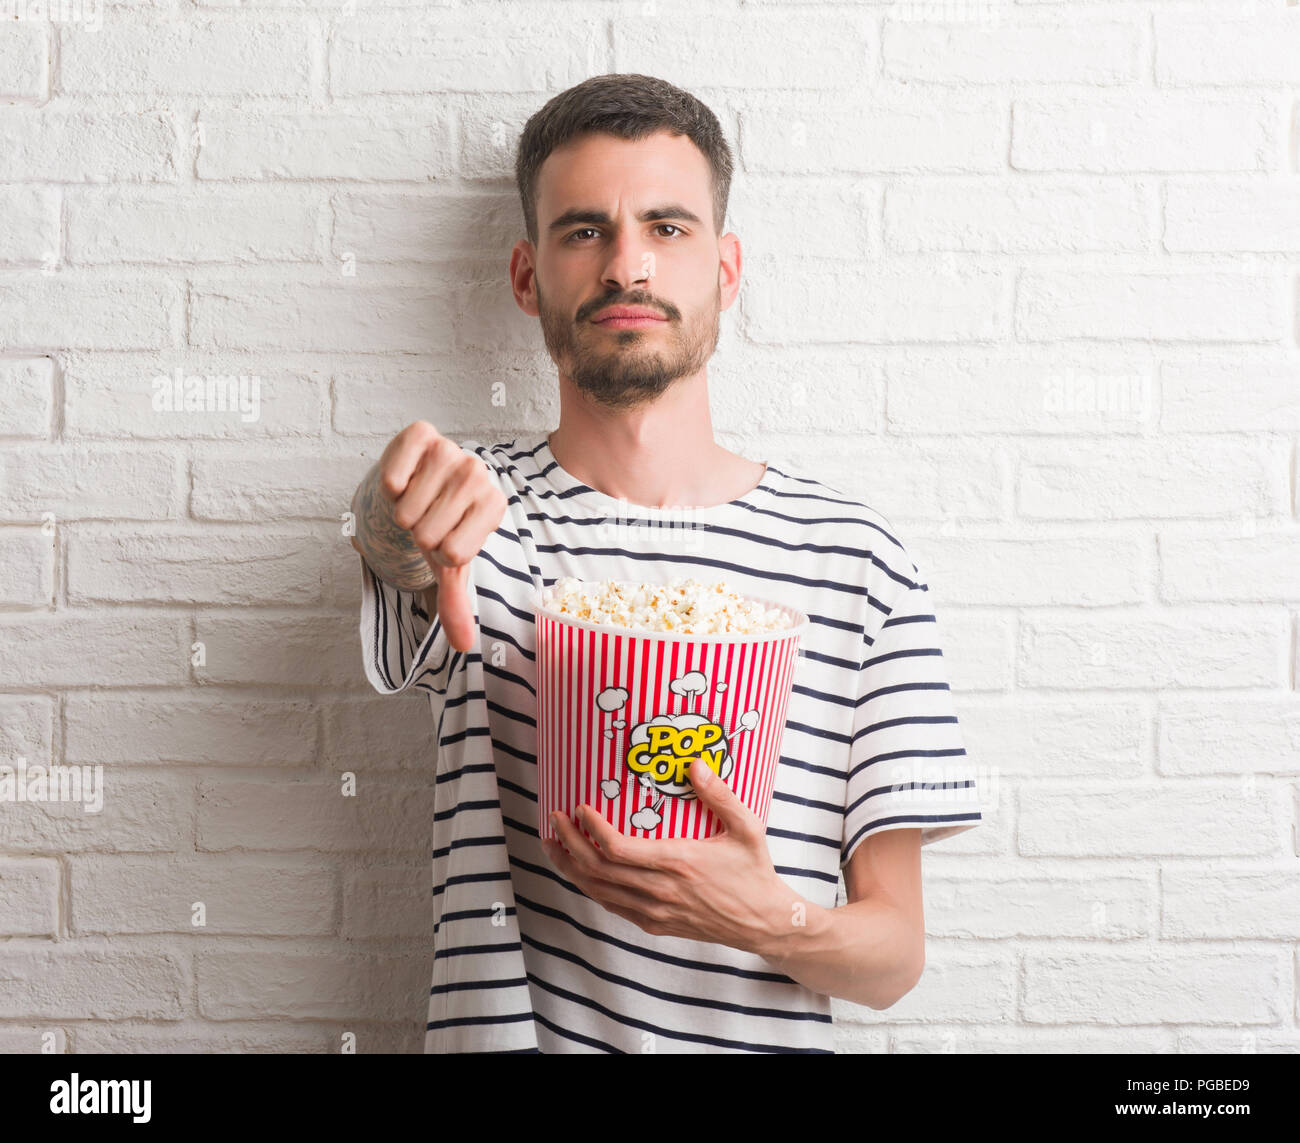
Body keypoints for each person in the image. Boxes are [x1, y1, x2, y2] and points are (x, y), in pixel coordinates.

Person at [349, 73, 982, 1053]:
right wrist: (391, 524)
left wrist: (761, 917)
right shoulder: (473, 522)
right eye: (584, 231)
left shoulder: (857, 563)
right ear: (527, 276)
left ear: (727, 270)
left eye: (668, 228)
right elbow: (395, 548)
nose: (628, 265)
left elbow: (893, 958)